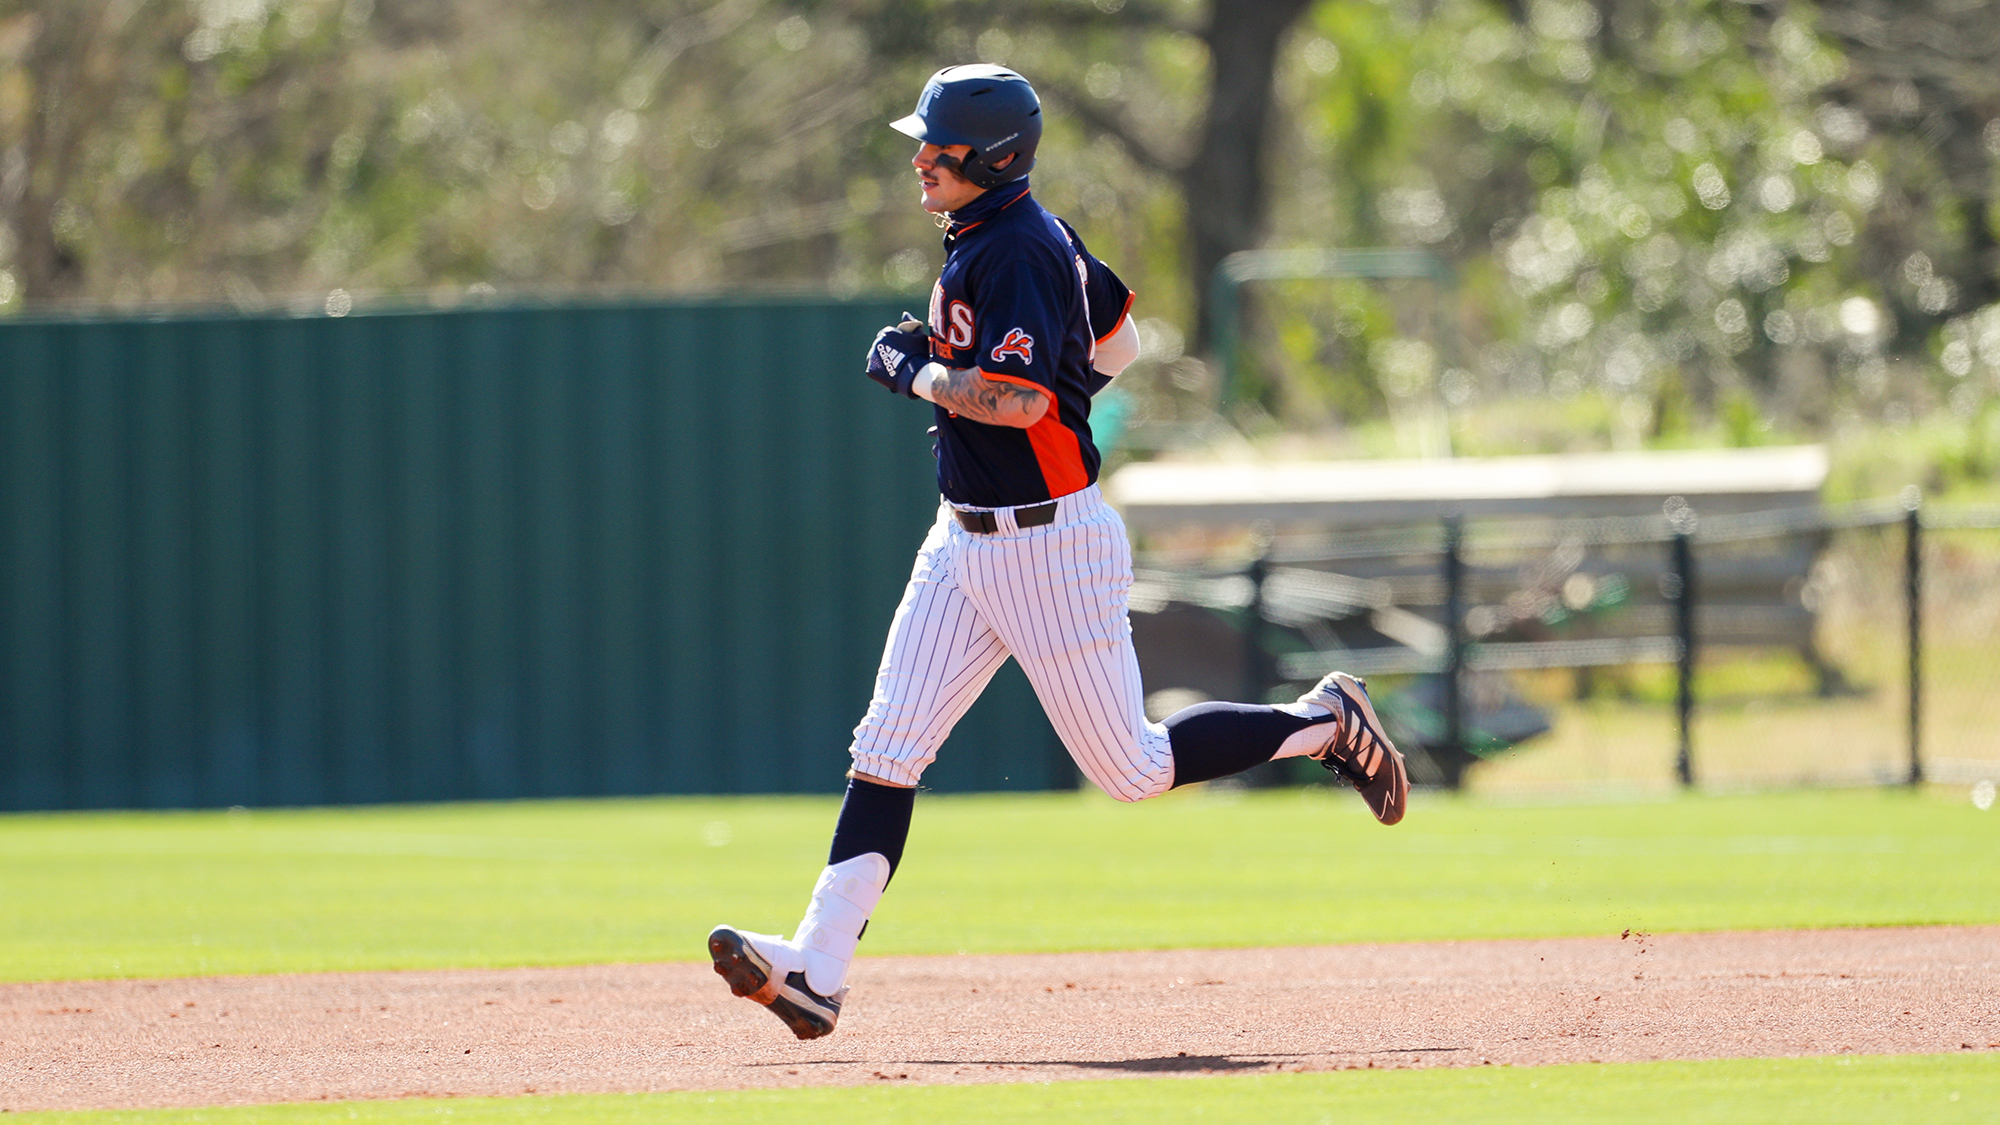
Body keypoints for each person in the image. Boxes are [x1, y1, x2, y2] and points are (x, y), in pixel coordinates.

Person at [707, 64, 1408, 1041]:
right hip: (964, 535)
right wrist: (976, 379)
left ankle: (1321, 722)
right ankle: (817, 968)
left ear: (992, 158)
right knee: (887, 747)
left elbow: (1025, 400)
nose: (919, 158)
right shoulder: (1000, 236)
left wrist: (918, 374)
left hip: (1047, 544)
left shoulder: (1020, 250)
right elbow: (1117, 339)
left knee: (1129, 769)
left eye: (936, 144)